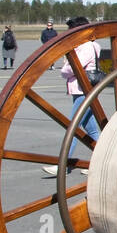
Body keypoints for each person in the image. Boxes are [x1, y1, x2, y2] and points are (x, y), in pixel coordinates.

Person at [42, 17, 100, 178]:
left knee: (72, 127)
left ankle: (63, 164)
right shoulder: (84, 46)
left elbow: (72, 68)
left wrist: (64, 69)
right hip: (80, 90)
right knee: (91, 129)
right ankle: (102, 161)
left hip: (84, 91)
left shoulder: (87, 47)